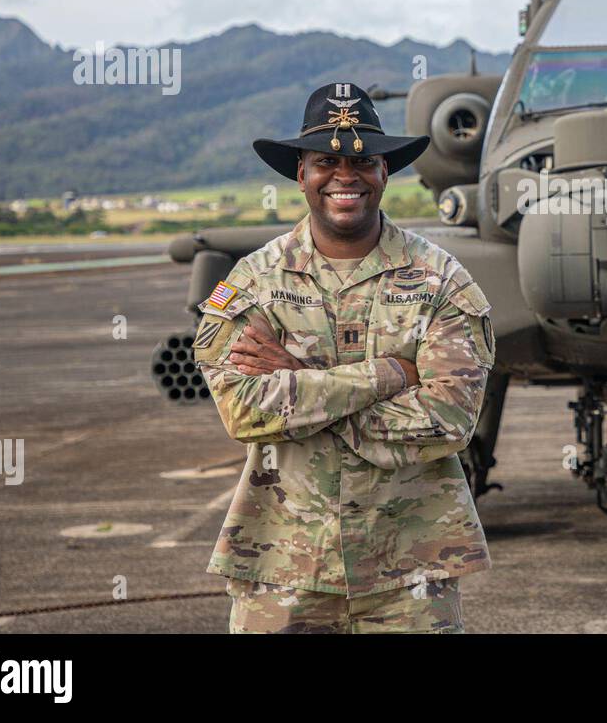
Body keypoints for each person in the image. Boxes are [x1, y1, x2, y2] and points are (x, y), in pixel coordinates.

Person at [193, 81, 495, 633]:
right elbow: (245, 412)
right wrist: (390, 375)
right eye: (327, 160)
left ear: (384, 171)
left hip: (412, 572)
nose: (345, 174)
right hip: (283, 568)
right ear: (301, 173)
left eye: (363, 160)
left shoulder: (441, 281)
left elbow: (449, 420)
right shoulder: (253, 283)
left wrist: (300, 383)